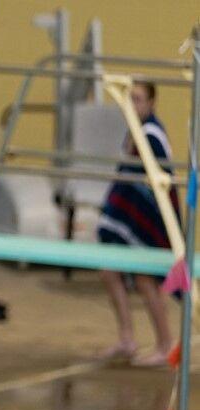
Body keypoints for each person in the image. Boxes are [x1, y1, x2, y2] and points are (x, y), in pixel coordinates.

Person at [97, 81, 178, 366]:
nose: (133, 105)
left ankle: (165, 343)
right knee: (109, 271)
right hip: (129, 218)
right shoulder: (133, 131)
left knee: (146, 280)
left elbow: (157, 185)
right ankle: (127, 338)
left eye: (139, 99)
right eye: (130, 99)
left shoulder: (152, 134)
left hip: (149, 219)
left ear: (152, 103)